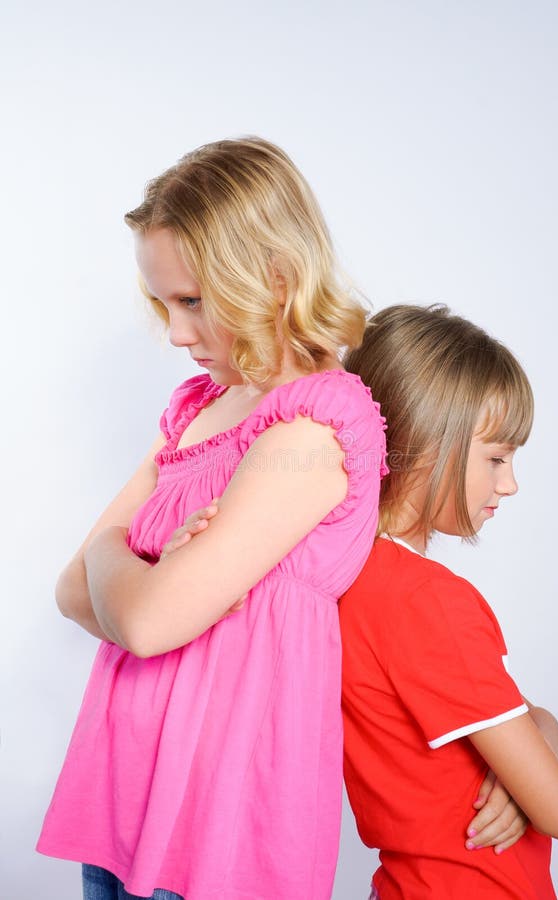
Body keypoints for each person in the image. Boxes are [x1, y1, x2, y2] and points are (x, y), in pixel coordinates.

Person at [36, 137, 388, 900]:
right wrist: (121, 565)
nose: (176, 332)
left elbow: (144, 624)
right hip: (125, 792)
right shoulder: (197, 412)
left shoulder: (313, 426)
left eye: (193, 301)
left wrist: (120, 562)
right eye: (162, 302)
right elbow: (71, 591)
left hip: (220, 821)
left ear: (276, 276)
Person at [340, 304, 558, 899]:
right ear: (426, 446)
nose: (510, 483)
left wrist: (533, 755)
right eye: (496, 458)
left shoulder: (357, 580)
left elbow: (529, 717)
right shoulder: (428, 601)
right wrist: (550, 778)